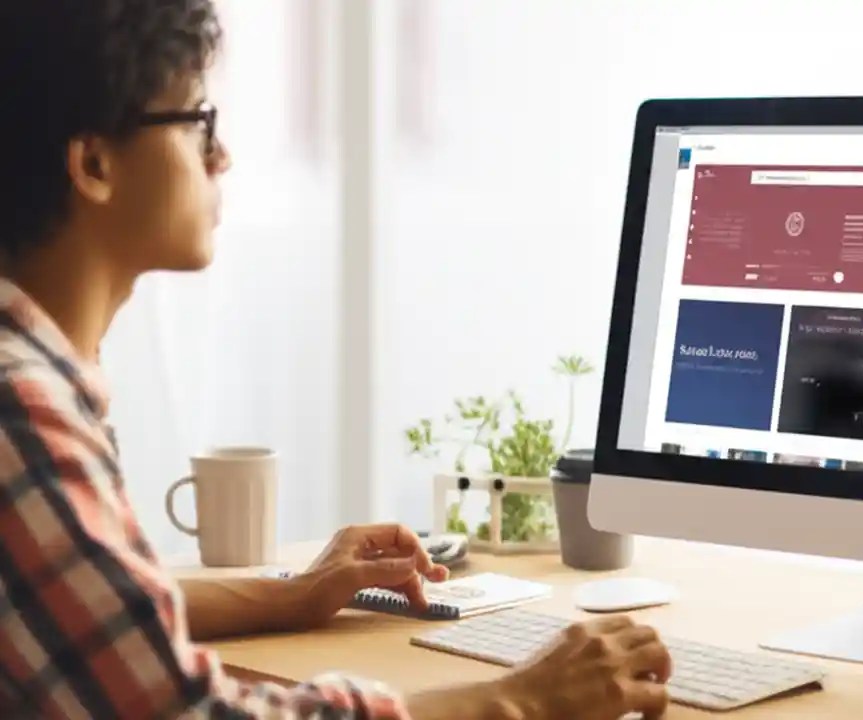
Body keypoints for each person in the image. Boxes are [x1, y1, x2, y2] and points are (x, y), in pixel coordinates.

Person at [0, 2, 672, 718]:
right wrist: (517, 700)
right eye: (198, 122)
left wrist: (294, 593)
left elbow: (102, 612)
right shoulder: (22, 414)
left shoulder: (37, 385)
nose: (221, 157)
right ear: (94, 164)